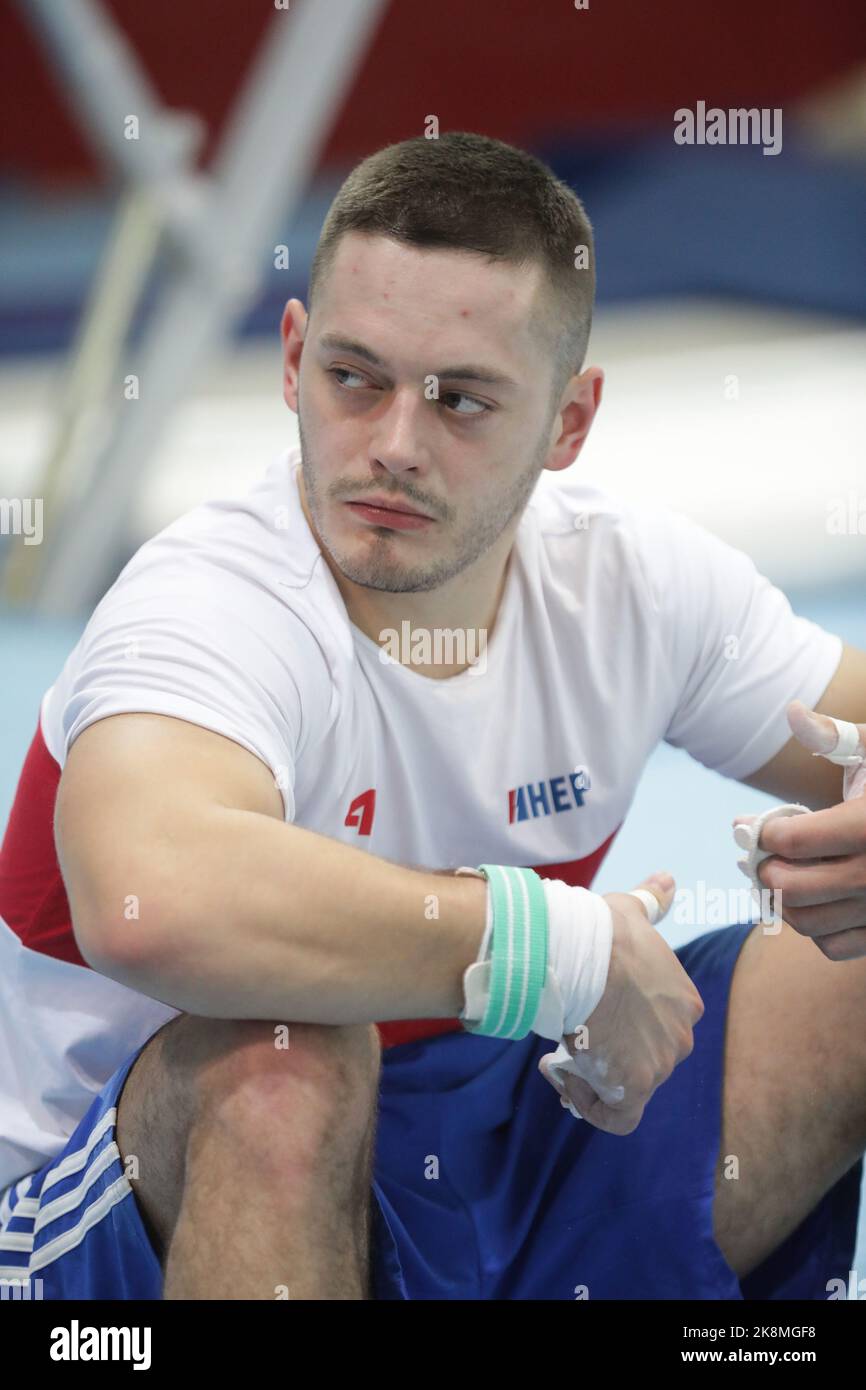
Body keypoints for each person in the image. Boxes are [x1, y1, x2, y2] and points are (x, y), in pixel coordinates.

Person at [2, 131, 865, 1301]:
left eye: (460, 399)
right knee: (284, 1063)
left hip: (500, 1146)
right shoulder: (206, 607)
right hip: (134, 1213)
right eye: (353, 378)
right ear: (293, 353)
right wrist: (560, 949)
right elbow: (152, 903)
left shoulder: (633, 584)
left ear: (568, 422)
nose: (392, 447)